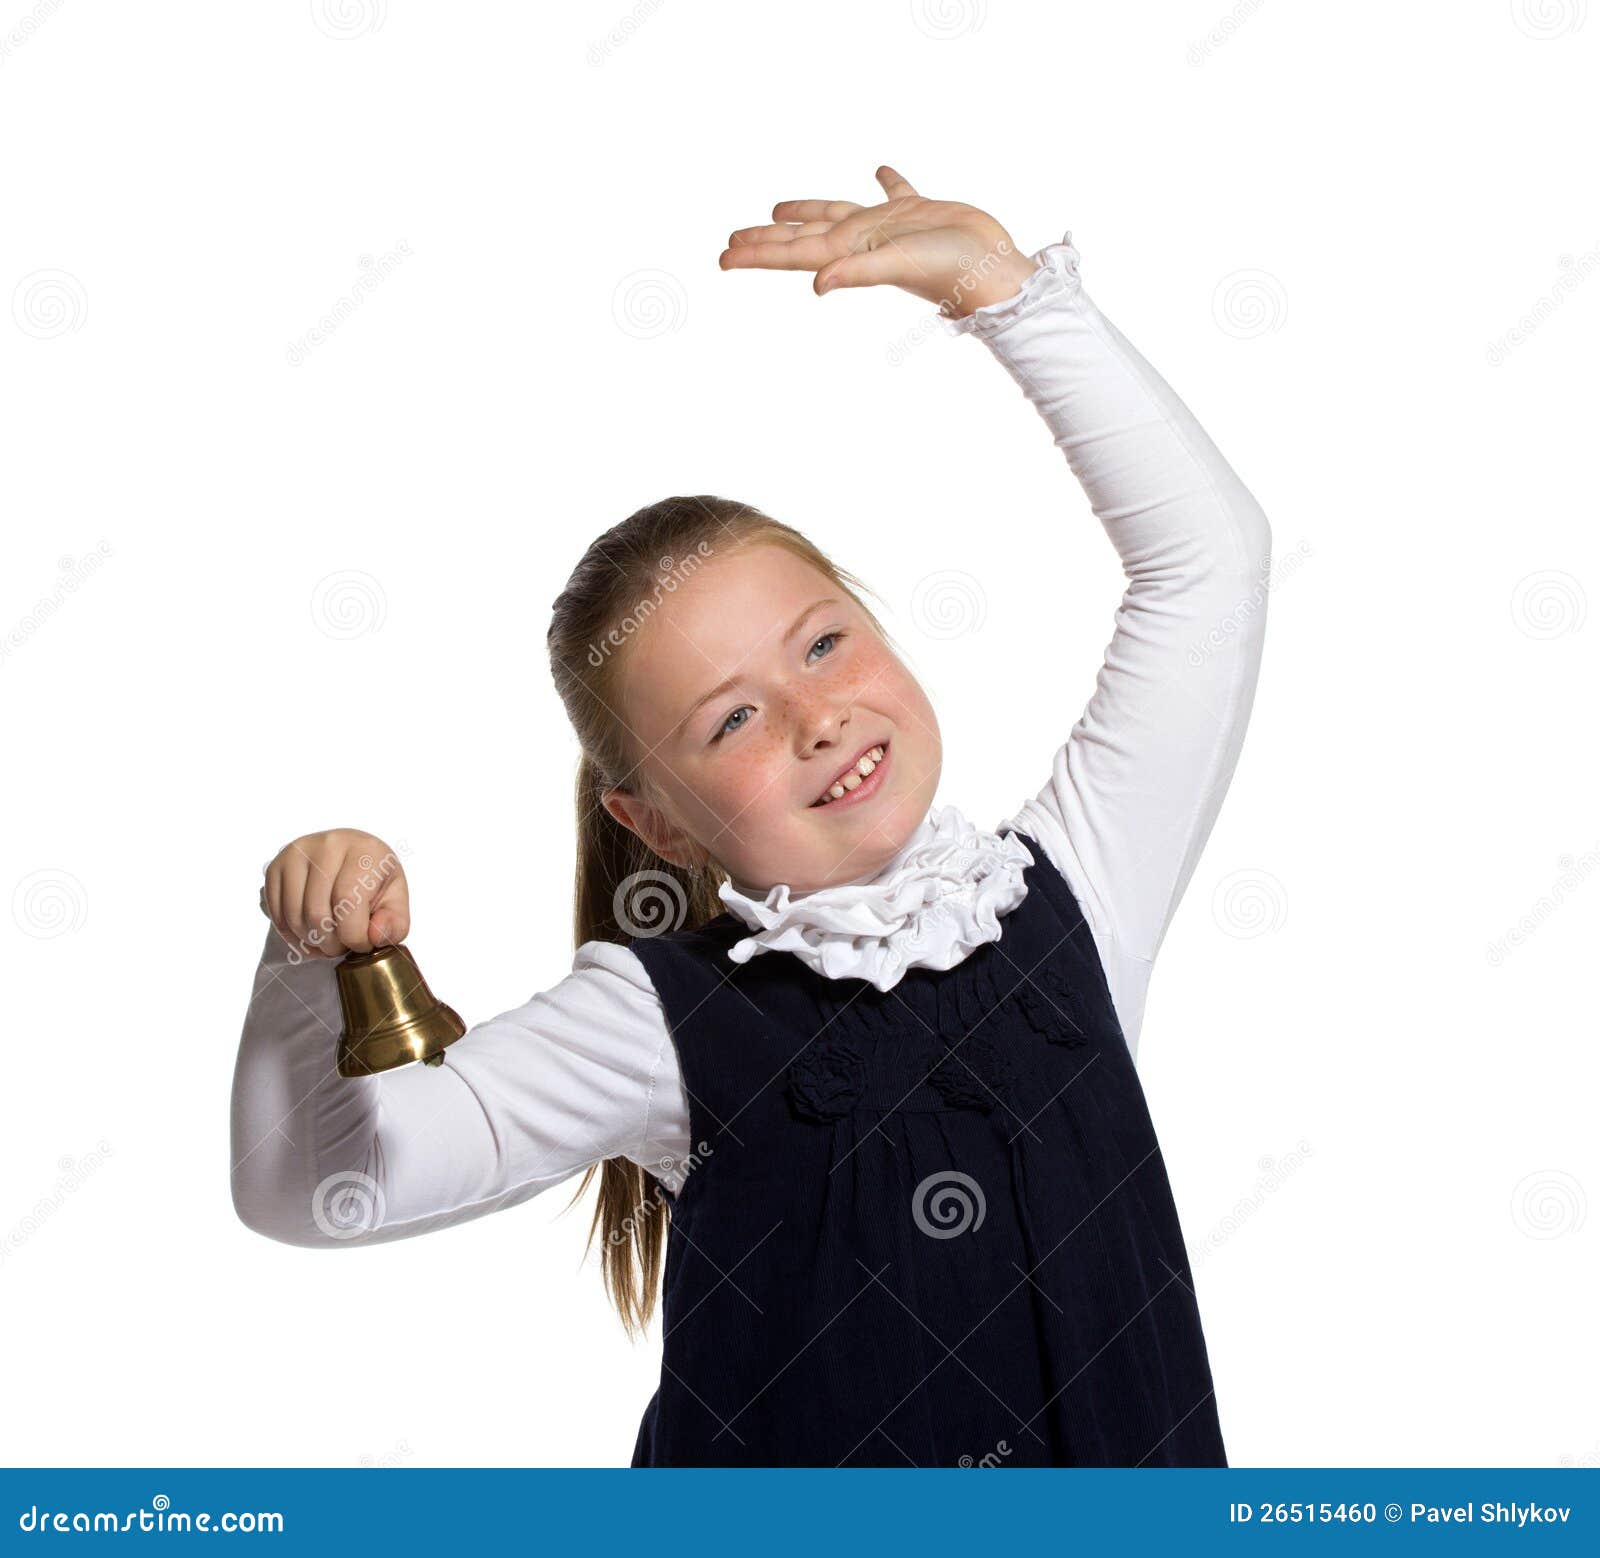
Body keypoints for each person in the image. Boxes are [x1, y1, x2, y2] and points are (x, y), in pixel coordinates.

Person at [231, 166, 1271, 1467]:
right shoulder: (652, 1019)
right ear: (654, 823)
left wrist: (1005, 296)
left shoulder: (1075, 886)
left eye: (826, 644)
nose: (815, 716)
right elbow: (318, 1192)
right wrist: (306, 960)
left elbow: (1208, 563)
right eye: (730, 720)